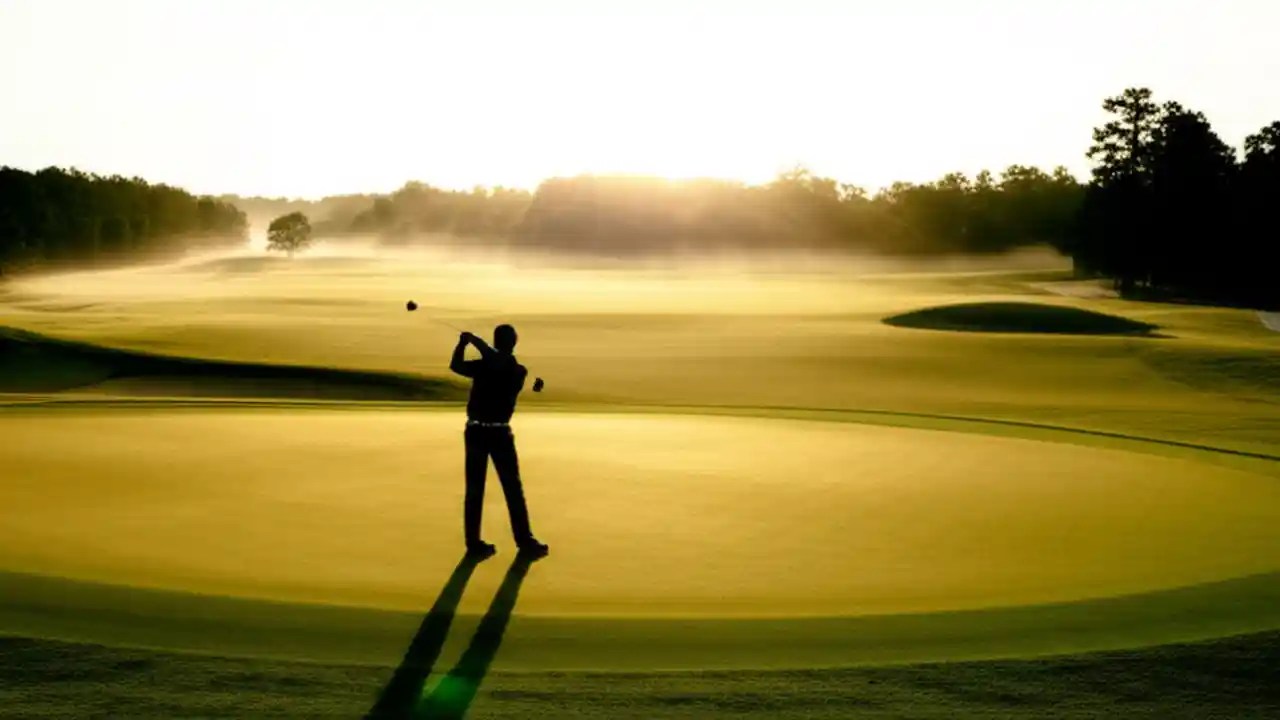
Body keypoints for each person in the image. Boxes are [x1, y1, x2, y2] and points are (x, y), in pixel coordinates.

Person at [450, 325, 548, 557]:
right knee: (500, 489)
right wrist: (465, 344)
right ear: (514, 342)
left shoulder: (515, 371)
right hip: (490, 433)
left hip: (488, 433)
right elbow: (456, 366)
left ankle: (515, 542)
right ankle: (515, 542)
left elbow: (490, 362)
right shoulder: (501, 367)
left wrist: (471, 342)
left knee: (502, 488)